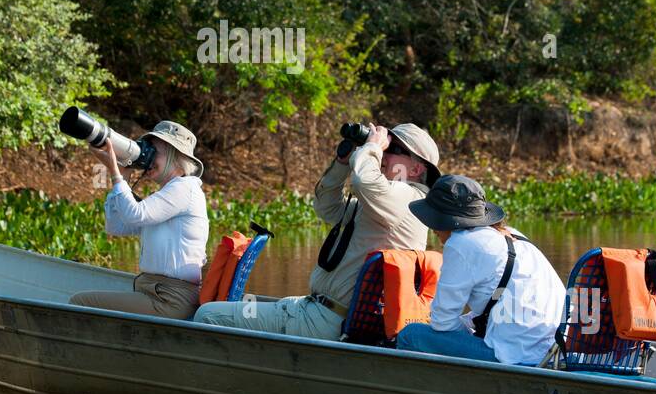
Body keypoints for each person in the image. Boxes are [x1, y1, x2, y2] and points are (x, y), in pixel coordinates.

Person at [193, 121, 440, 340]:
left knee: (208, 314)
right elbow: (327, 207)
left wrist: (373, 146)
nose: (385, 152)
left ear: (417, 169)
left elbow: (364, 181)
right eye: (387, 146)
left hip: (323, 321)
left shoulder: (408, 199)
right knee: (241, 307)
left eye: (394, 149)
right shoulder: (386, 203)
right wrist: (343, 164)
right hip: (312, 310)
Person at [396, 174, 565, 366]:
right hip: (554, 351)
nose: (432, 228)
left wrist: (466, 332)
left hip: (518, 358)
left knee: (411, 335)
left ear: (449, 220)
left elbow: (442, 323)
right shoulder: (513, 235)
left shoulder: (461, 243)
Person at [69, 120, 209, 320]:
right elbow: (115, 226)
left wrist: (115, 174)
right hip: (156, 292)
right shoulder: (169, 195)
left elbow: (136, 213)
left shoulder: (185, 188)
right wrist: (122, 178)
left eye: (155, 151)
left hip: (170, 298)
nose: (147, 158)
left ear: (174, 155)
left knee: (80, 302)